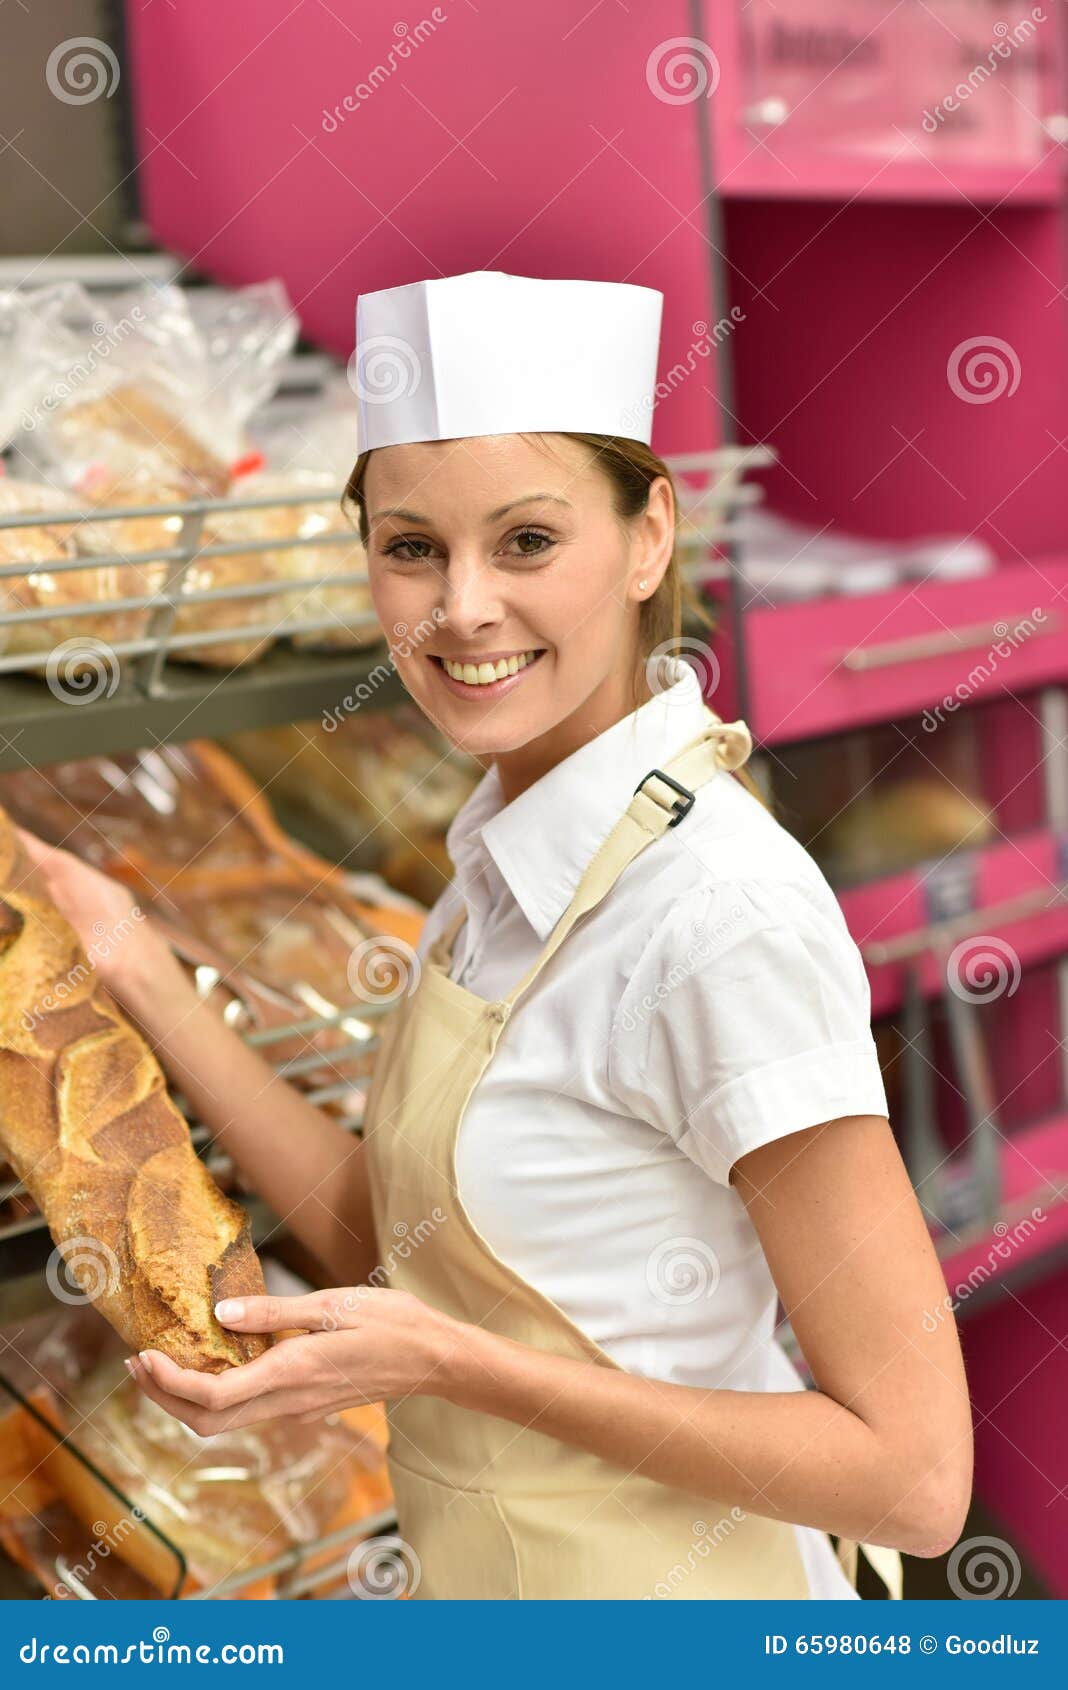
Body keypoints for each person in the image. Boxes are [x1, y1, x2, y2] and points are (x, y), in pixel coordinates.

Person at [21, 271, 972, 1600]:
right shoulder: (504, 860)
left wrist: (456, 1363)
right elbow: (388, 1241)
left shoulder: (715, 914)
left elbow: (915, 1477)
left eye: (527, 542)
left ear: (649, 538)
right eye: (412, 547)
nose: (461, 607)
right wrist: (132, 962)